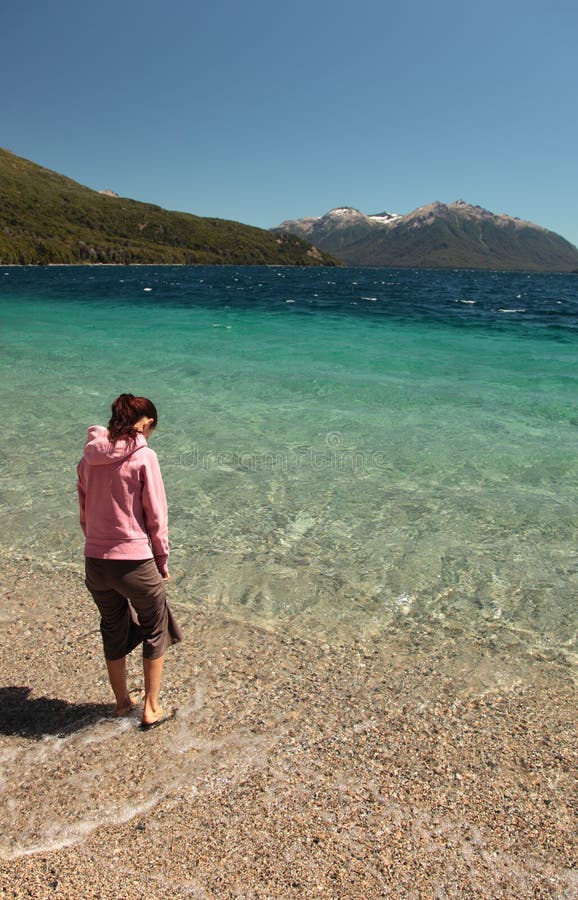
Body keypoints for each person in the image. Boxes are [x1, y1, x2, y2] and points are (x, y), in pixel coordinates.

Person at [77, 393, 182, 729]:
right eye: (151, 429)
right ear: (146, 423)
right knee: (157, 625)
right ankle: (151, 707)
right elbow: (156, 514)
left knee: (112, 626)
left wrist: (96, 544)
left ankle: (122, 702)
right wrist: (161, 558)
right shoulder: (144, 457)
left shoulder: (88, 457)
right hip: (133, 561)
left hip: (95, 560)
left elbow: (84, 511)